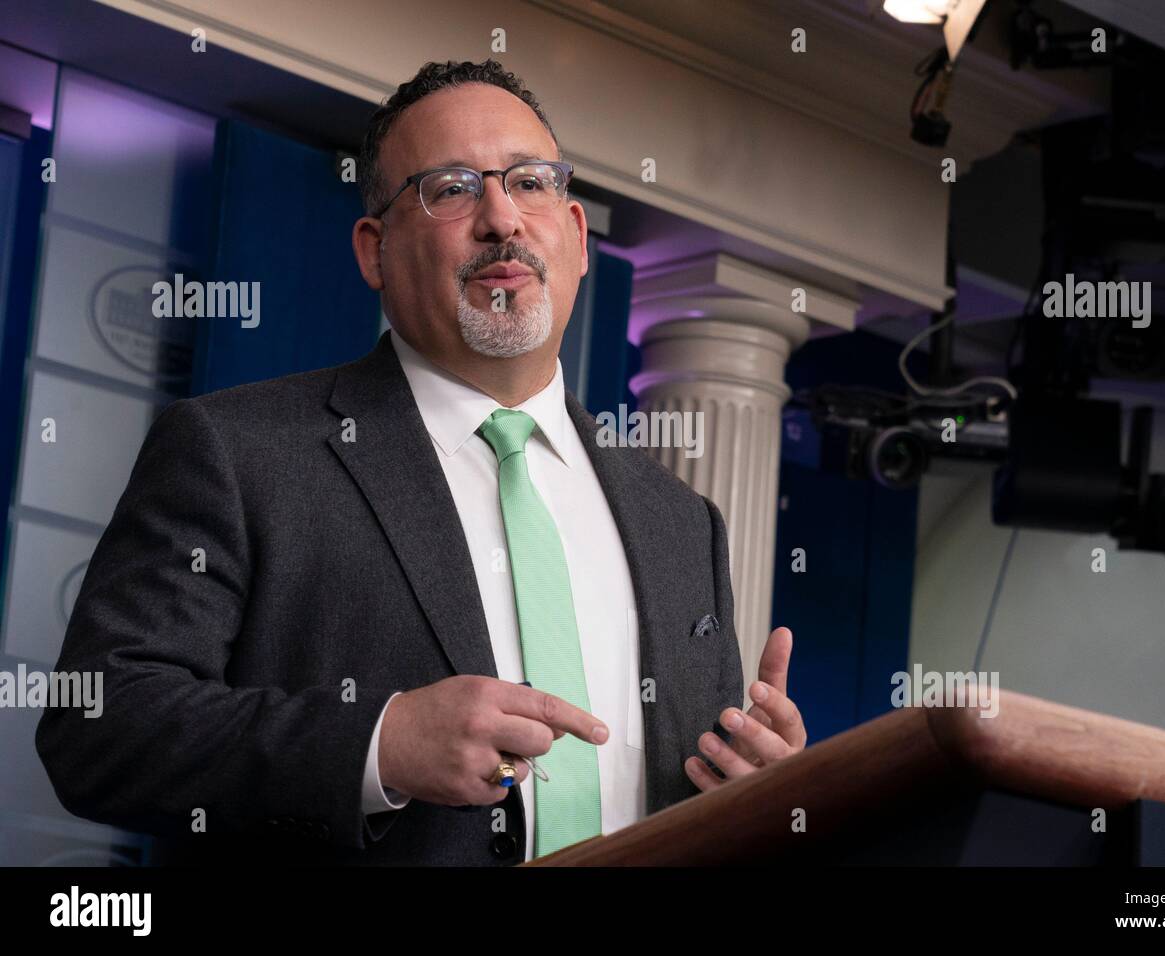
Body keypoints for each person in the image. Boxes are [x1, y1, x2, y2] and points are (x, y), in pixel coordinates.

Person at [36, 58, 806, 866]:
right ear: (375, 249)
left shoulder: (681, 523)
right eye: (452, 188)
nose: (502, 219)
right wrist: (379, 746)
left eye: (532, 183)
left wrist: (754, 795)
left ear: (576, 238)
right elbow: (100, 726)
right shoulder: (236, 454)